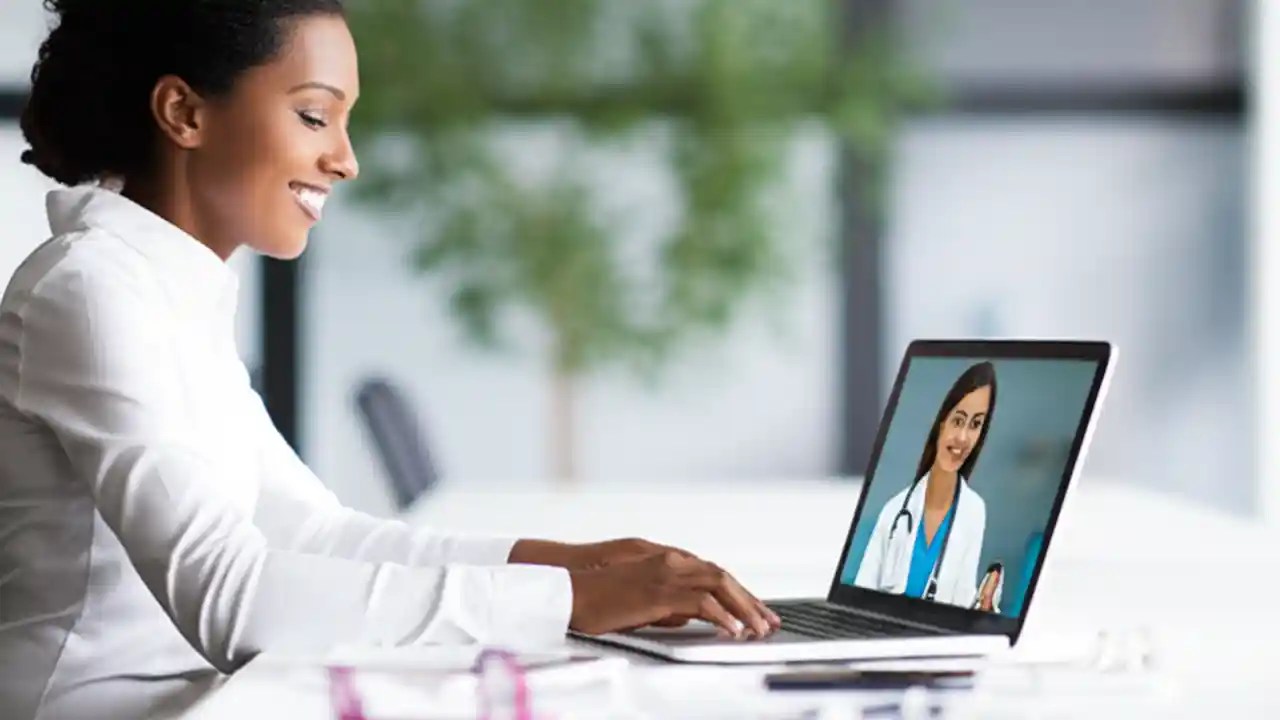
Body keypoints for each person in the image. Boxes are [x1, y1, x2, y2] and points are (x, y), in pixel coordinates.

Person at [0, 3, 778, 720]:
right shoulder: (89, 289)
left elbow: (314, 533)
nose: (345, 160)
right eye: (315, 116)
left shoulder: (170, 290)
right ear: (185, 112)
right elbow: (232, 600)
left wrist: (576, 567)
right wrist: (567, 601)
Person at [854, 362, 995, 607]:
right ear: (941, 422)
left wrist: (984, 606)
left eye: (975, 425)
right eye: (958, 420)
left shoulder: (974, 510)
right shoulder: (894, 510)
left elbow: (963, 600)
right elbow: (859, 597)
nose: (963, 438)